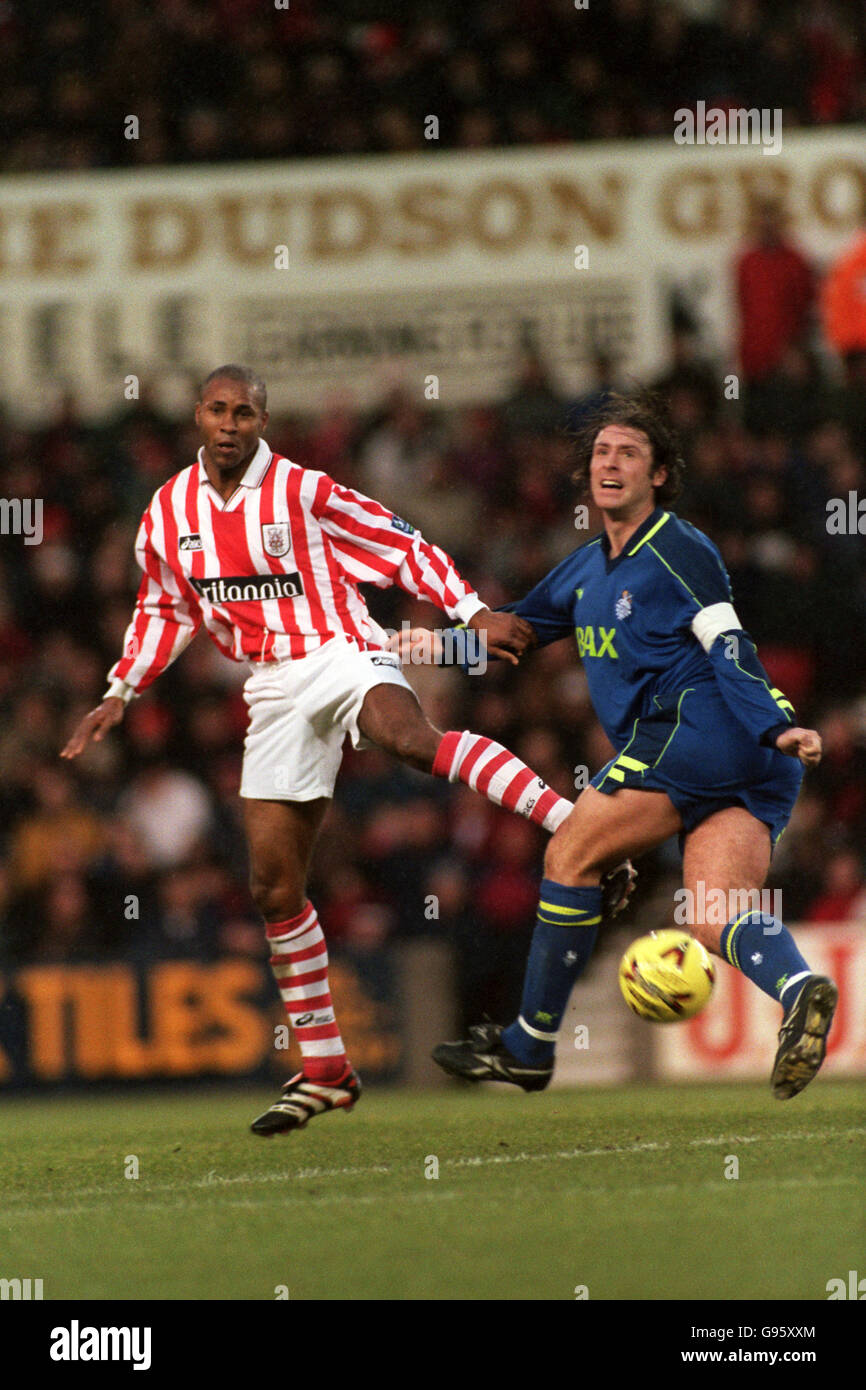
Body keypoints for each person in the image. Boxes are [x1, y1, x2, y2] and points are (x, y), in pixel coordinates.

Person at [61, 364, 580, 1136]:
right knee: (274, 889)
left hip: (341, 647)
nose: (230, 423)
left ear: (263, 421)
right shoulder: (168, 511)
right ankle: (328, 1069)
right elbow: (164, 607)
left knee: (407, 739)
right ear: (198, 417)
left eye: (245, 412)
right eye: (217, 410)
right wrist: (121, 689)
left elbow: (400, 544)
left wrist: (472, 611)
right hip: (271, 684)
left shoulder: (304, 490)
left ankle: (572, 821)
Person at [433, 391, 837, 1101]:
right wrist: (407, 644)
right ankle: (800, 987)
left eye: (629, 453)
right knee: (713, 917)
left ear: (659, 476)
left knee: (569, 853)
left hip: (700, 731)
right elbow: (512, 634)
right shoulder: (585, 569)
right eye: (601, 452)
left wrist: (774, 722)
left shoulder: (678, 547)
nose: (610, 462)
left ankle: (530, 1046)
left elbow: (728, 641)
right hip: (751, 764)